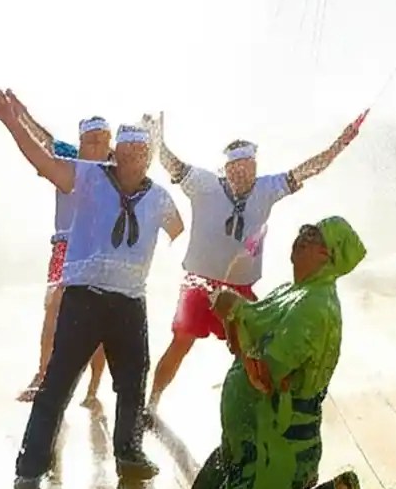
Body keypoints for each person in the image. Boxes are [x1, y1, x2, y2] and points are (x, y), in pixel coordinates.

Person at [0, 89, 185, 482]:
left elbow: (179, 231)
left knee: (132, 380)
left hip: (129, 303)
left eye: (138, 155)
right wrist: (12, 122)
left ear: (147, 159)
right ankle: (32, 463)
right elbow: (43, 161)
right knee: (58, 382)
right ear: (117, 154)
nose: (130, 161)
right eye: (125, 154)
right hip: (84, 298)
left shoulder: (158, 197)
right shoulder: (89, 176)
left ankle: (129, 452)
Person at [145, 111, 366, 421]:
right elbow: (173, 165)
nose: (243, 174)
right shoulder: (204, 184)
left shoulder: (266, 188)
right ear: (227, 168)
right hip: (199, 283)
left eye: (249, 167)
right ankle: (151, 405)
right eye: (237, 167)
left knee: (254, 350)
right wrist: (158, 141)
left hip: (240, 287)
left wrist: (338, 145)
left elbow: (308, 170)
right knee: (181, 342)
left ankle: (257, 411)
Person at [183, 216, 368, 489]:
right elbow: (252, 326)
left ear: (328, 255)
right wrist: (233, 311)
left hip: (275, 440)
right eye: (303, 230)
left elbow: (264, 375)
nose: (301, 237)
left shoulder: (315, 307)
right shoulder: (293, 291)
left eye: (312, 237)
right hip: (245, 433)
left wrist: (233, 311)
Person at [17, 113, 108, 405]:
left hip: (100, 249)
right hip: (65, 245)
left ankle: (93, 388)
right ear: (80, 143)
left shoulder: (115, 166)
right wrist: (22, 114)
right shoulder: (69, 158)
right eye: (90, 140)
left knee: (100, 318)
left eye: (101, 139)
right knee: (53, 308)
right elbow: (44, 140)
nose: (96, 145)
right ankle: (42, 374)